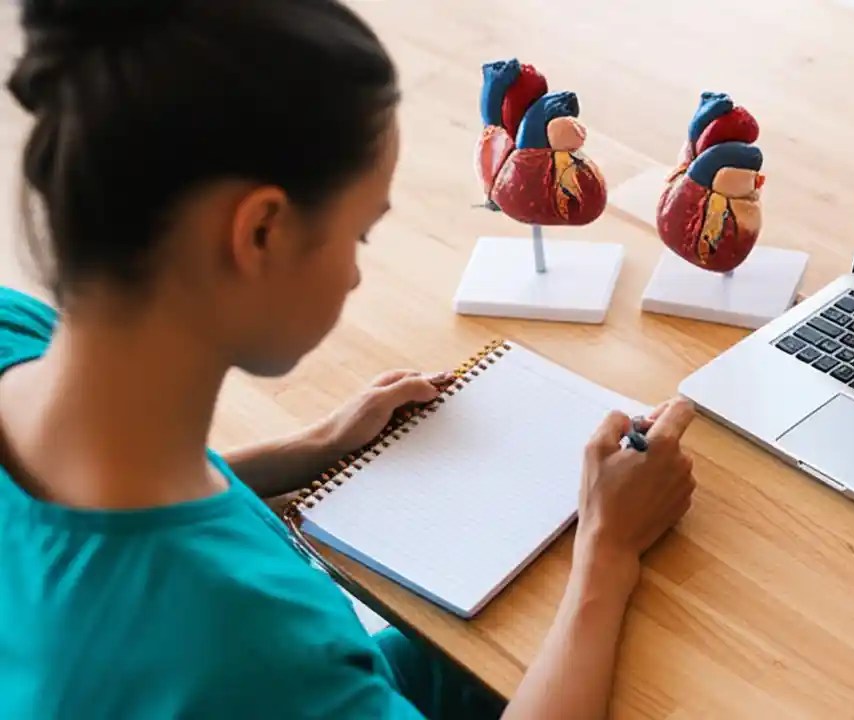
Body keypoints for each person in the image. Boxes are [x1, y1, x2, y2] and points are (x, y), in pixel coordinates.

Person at [0, 1, 697, 718]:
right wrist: (606, 555)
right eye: (359, 235)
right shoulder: (248, 648)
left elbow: (96, 528)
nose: (358, 276)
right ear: (262, 232)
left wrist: (316, 446)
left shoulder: (12, 330)